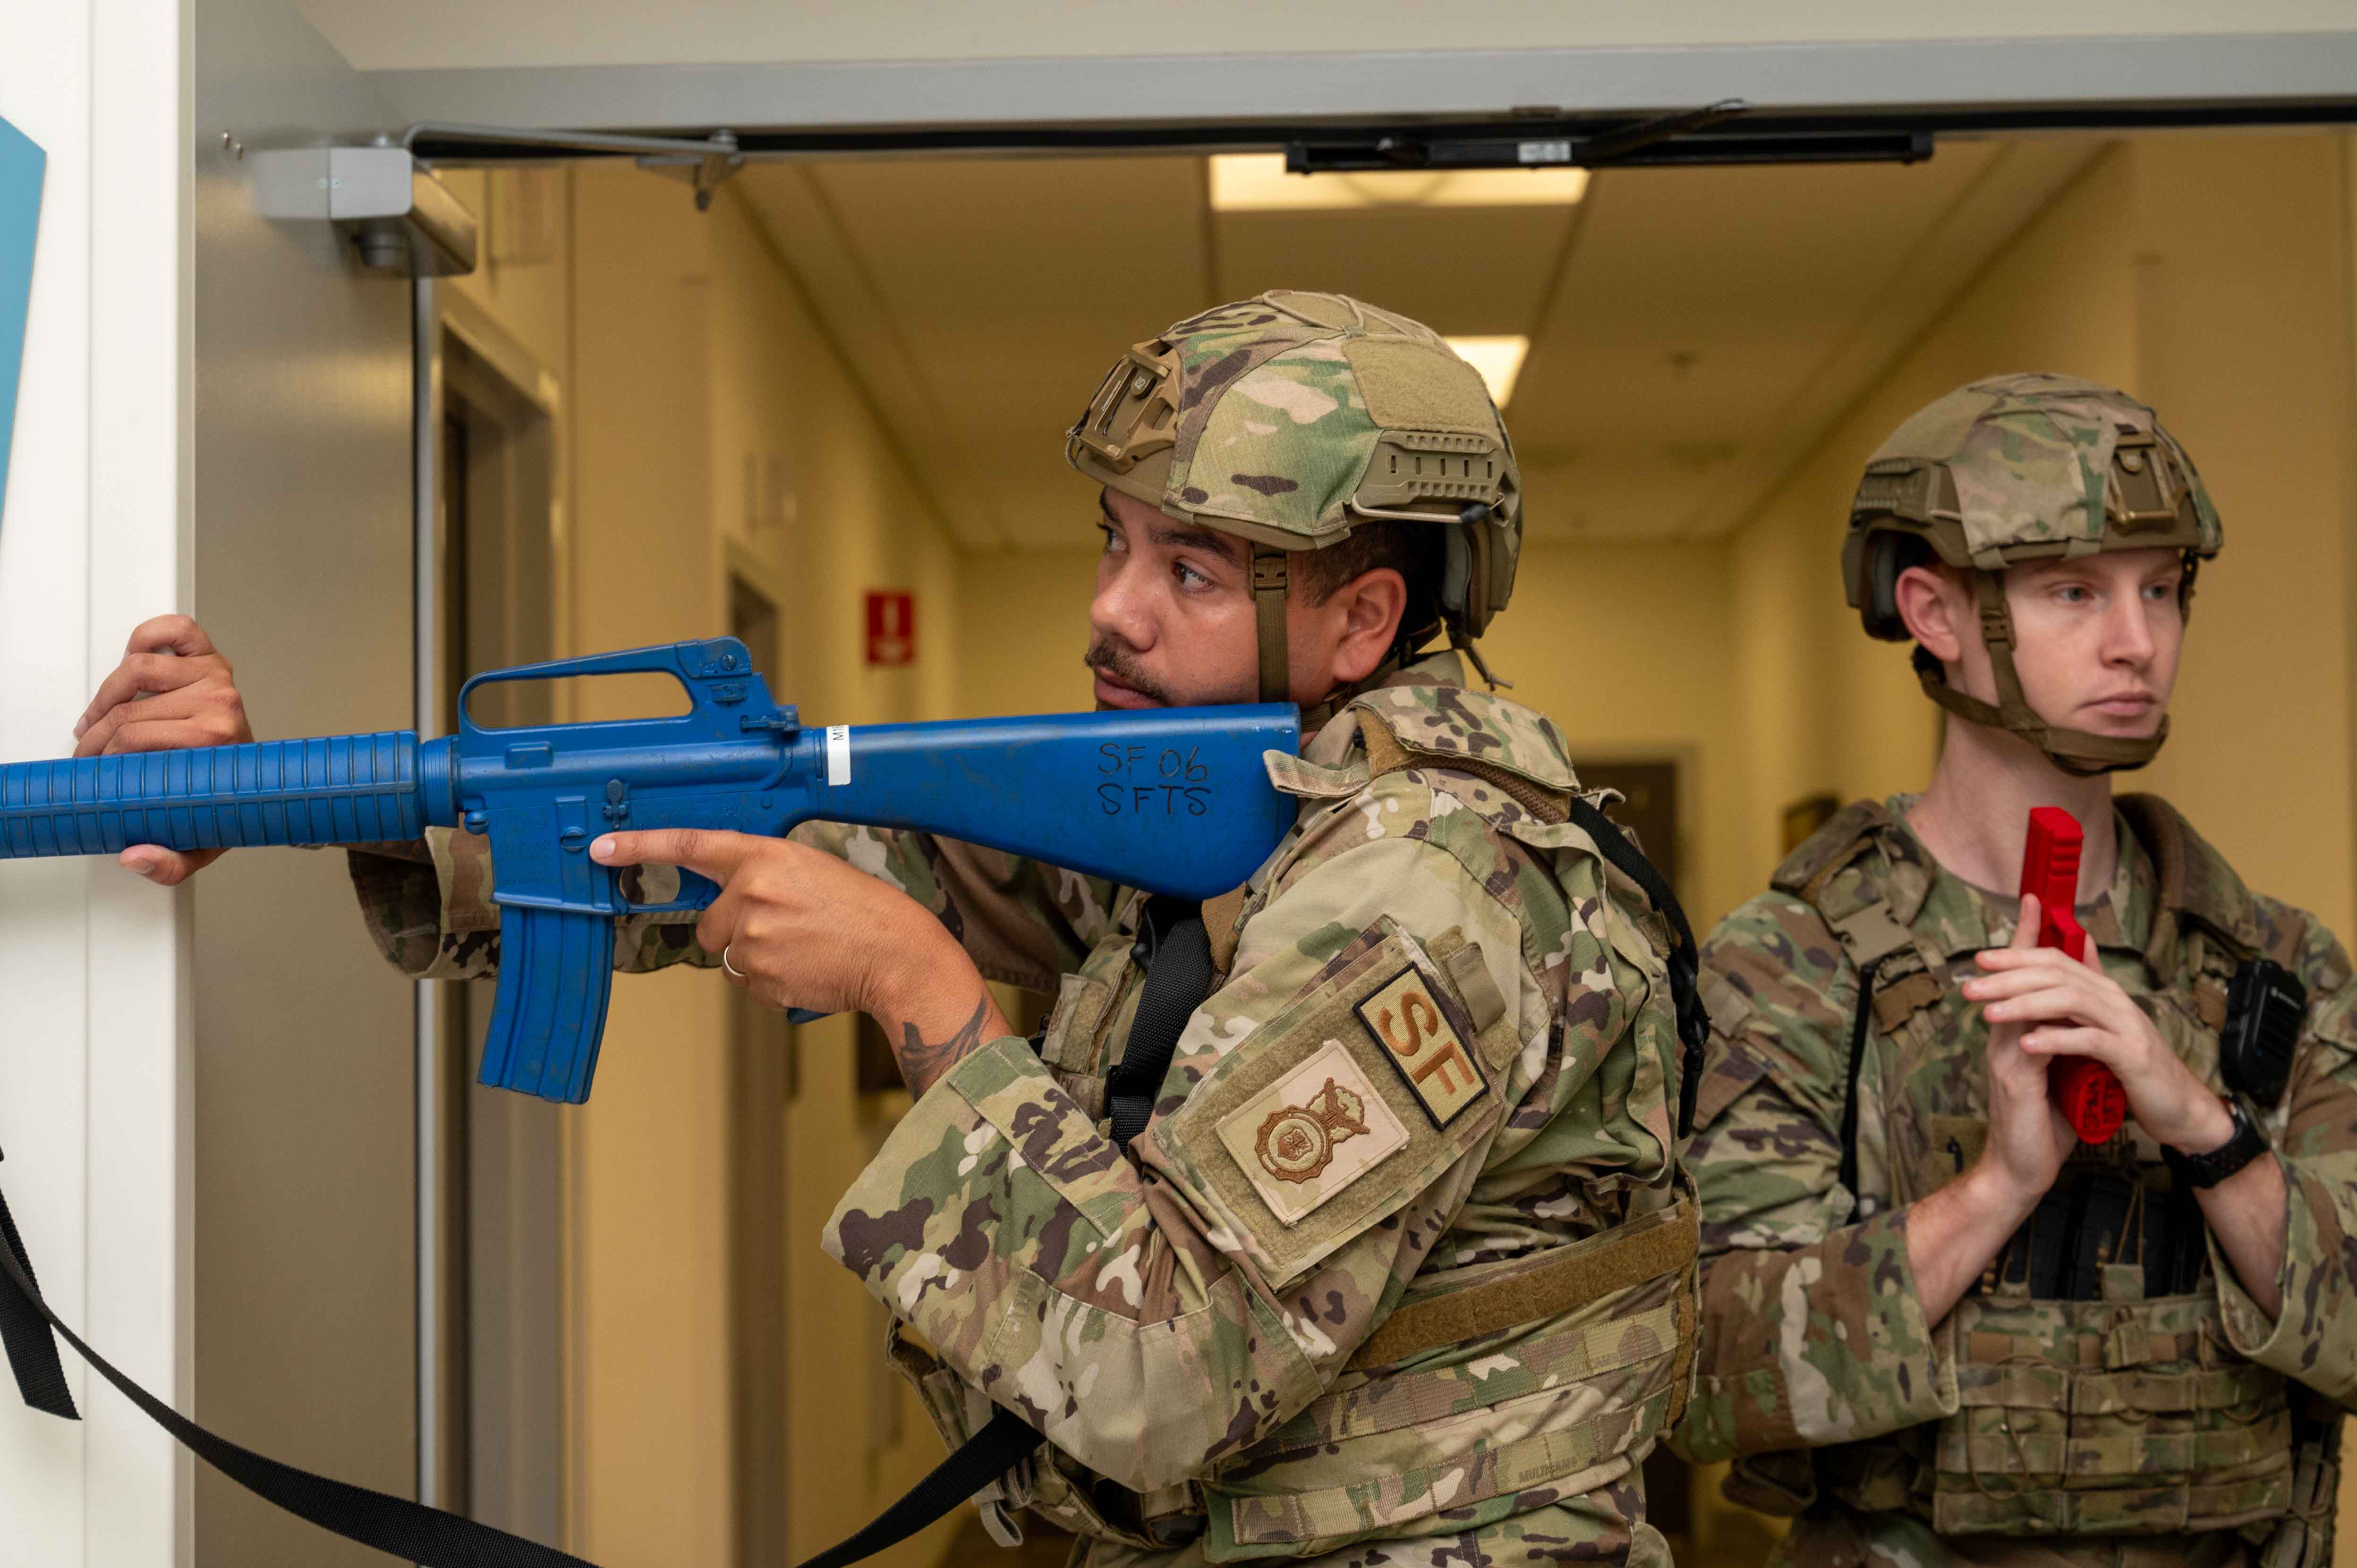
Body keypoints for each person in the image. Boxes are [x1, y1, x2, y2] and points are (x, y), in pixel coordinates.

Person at [80, 292, 1706, 1566]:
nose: (1112, 610)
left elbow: (1163, 1380)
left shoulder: (1428, 892)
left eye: (1194, 572)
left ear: (1363, 620)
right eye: (1117, 543)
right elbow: (783, 842)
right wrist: (302, 797)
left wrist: (925, 1002)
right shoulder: (1268, 826)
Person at [1674, 373, 2356, 1567]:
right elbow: (1706, 1383)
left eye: (2160, 591)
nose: (2136, 641)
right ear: (1935, 613)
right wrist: (1997, 1187)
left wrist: (2202, 1123)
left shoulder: (2276, 964)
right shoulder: (1794, 962)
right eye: (2073, 592)